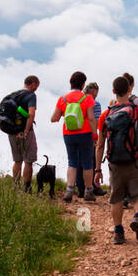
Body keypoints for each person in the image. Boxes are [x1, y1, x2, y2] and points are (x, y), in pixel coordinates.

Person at [96, 75, 138, 244]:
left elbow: (100, 145)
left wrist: (97, 170)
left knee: (116, 198)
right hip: (135, 160)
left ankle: (118, 232)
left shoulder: (105, 115)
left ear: (114, 91)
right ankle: (137, 217)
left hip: (114, 162)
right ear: (130, 90)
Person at [50, 70, 97, 203]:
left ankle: (69, 190)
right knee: (87, 162)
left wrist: (65, 114)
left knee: (72, 162)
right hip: (85, 133)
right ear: (83, 85)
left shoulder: (63, 99)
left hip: (69, 133)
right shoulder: (87, 98)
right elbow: (92, 118)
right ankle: (88, 191)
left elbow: (53, 118)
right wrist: (95, 134)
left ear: (70, 83)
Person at [7, 76, 40, 190]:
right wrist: (26, 130)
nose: (36, 89)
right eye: (37, 86)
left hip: (11, 131)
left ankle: (16, 187)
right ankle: (27, 188)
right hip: (25, 131)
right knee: (28, 160)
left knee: (17, 160)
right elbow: (31, 114)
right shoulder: (31, 95)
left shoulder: (13, 95)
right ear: (33, 84)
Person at [86, 82, 106, 195]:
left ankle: (80, 187)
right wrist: (97, 137)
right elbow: (97, 121)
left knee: (79, 162)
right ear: (94, 91)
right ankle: (95, 187)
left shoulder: (80, 101)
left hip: (76, 133)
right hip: (90, 134)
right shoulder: (95, 104)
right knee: (93, 161)